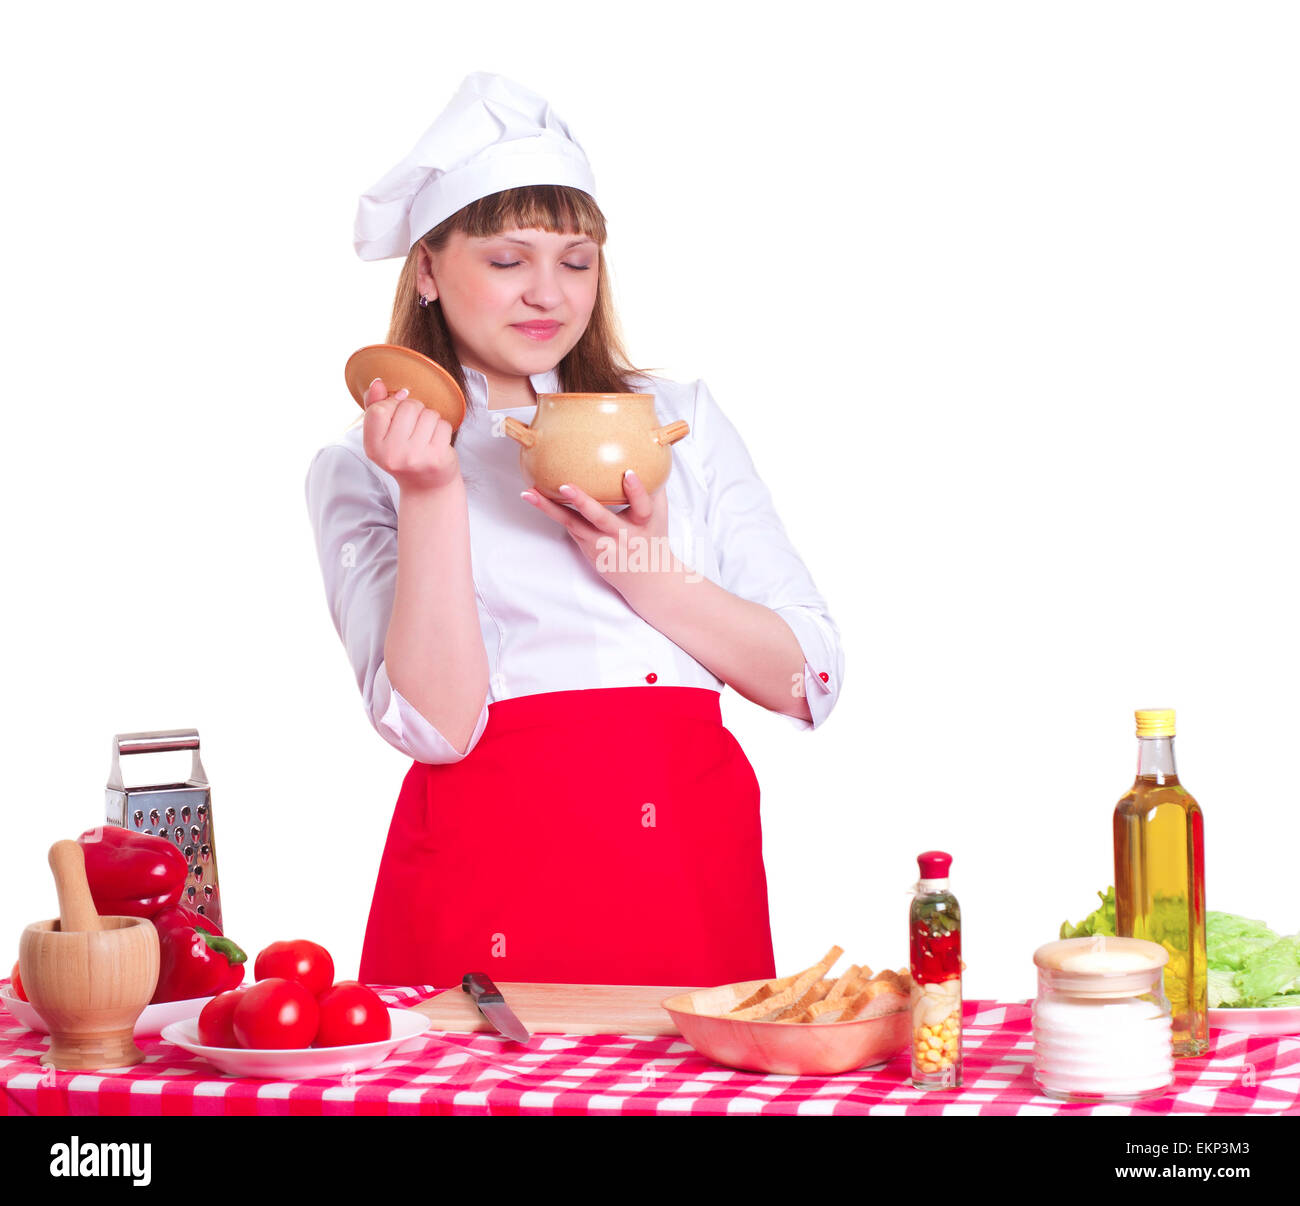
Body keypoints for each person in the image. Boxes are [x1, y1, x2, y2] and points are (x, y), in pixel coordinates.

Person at [305, 73, 844, 988]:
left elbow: (809, 680)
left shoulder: (677, 420)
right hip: (486, 877)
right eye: (507, 260)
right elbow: (434, 728)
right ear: (429, 270)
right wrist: (432, 493)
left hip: (683, 863)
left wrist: (641, 569)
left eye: (576, 259)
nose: (547, 294)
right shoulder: (366, 462)